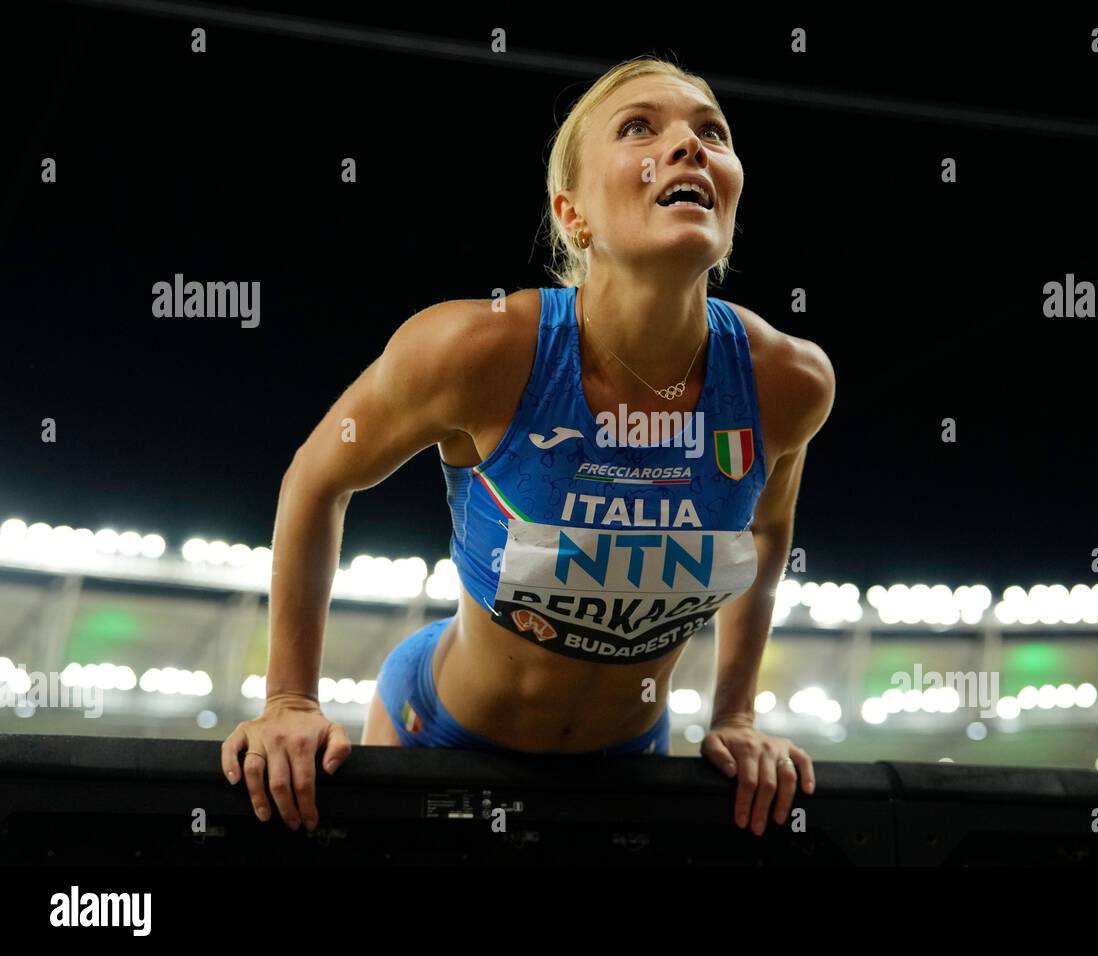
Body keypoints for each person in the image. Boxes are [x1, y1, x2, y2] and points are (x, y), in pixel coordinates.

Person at [221, 55, 834, 838]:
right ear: (572, 213)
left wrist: (737, 713)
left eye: (711, 131)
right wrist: (290, 702)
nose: (689, 146)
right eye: (641, 127)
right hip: (436, 725)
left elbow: (767, 528)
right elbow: (315, 476)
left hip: (631, 753)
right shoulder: (479, 351)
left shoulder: (787, 383)